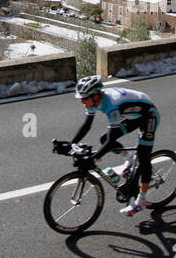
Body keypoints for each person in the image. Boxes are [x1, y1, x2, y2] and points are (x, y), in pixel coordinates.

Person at [58, 75, 160, 216]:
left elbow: (111, 141)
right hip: (133, 117)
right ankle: (130, 158)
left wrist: (93, 158)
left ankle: (141, 200)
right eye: (80, 98)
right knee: (104, 139)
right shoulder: (95, 101)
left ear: (96, 96)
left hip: (149, 115)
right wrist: (71, 145)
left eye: (84, 98)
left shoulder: (112, 105)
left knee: (143, 158)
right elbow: (87, 125)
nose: (81, 101)